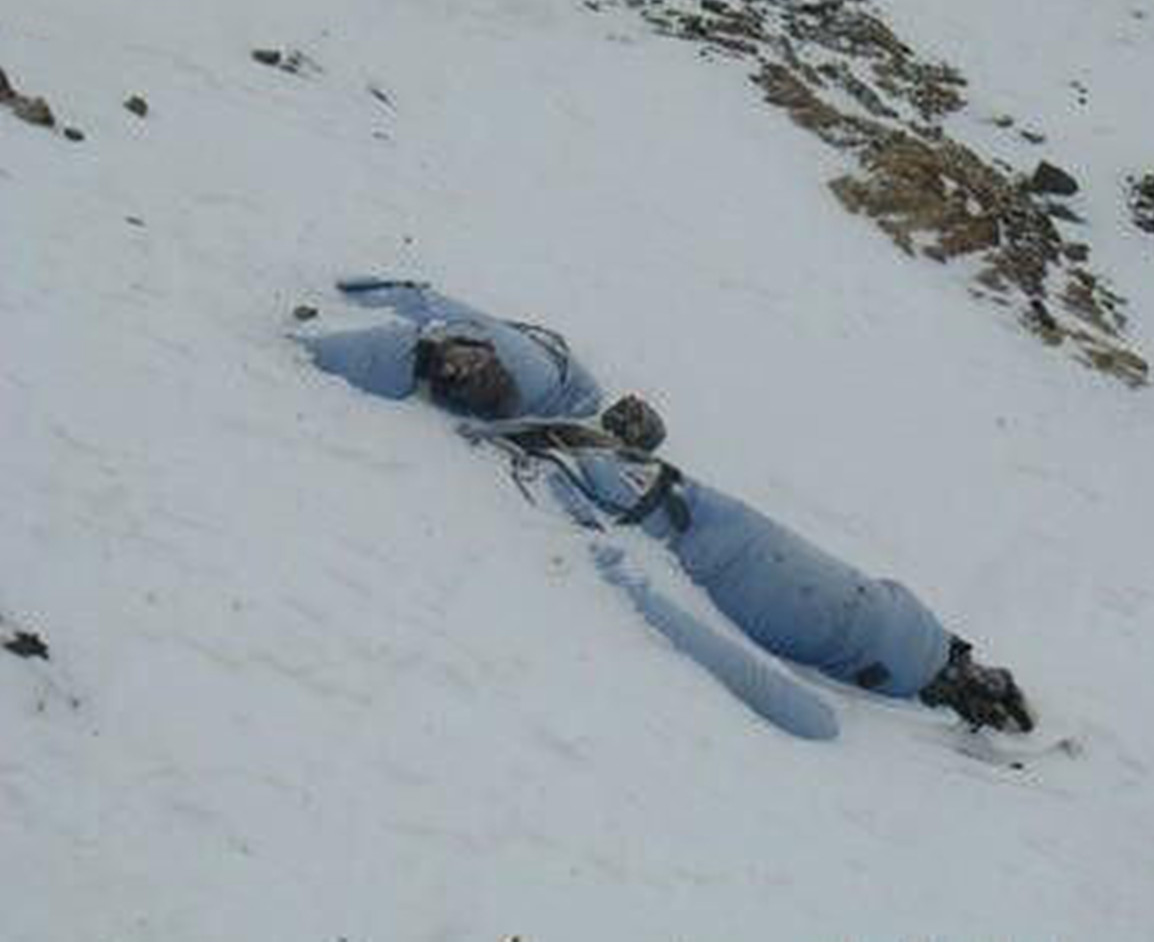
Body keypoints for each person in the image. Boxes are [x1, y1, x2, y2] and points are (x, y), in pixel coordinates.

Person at [461, 415, 1034, 734]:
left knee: (853, 614)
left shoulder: (612, 476)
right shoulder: (607, 479)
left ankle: (944, 667)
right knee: (850, 614)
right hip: (851, 618)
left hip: (862, 621)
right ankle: (942, 667)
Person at [299, 278, 664, 449]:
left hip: (506, 373)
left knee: (430, 344)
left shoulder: (569, 409)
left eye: (635, 415)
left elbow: (508, 403)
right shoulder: (583, 395)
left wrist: (468, 368)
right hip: (506, 359)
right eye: (637, 408)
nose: (632, 402)